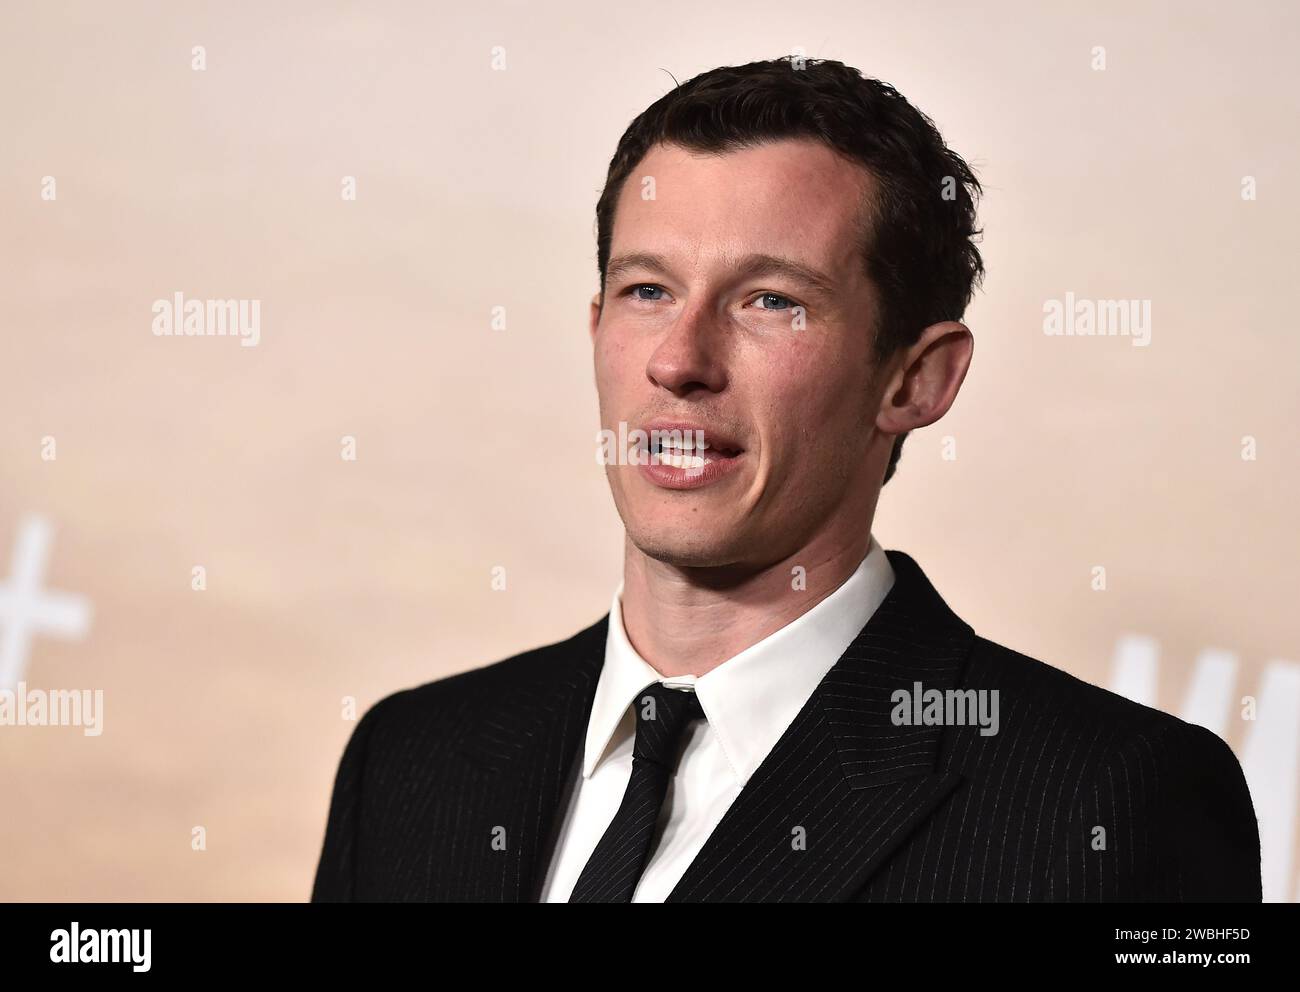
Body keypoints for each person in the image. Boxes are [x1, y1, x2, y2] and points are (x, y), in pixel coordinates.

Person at [311, 56, 1261, 902]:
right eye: (649, 291)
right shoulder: (410, 761)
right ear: (596, 325)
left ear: (915, 378)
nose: (678, 361)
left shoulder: (1108, 798)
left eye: (772, 301)